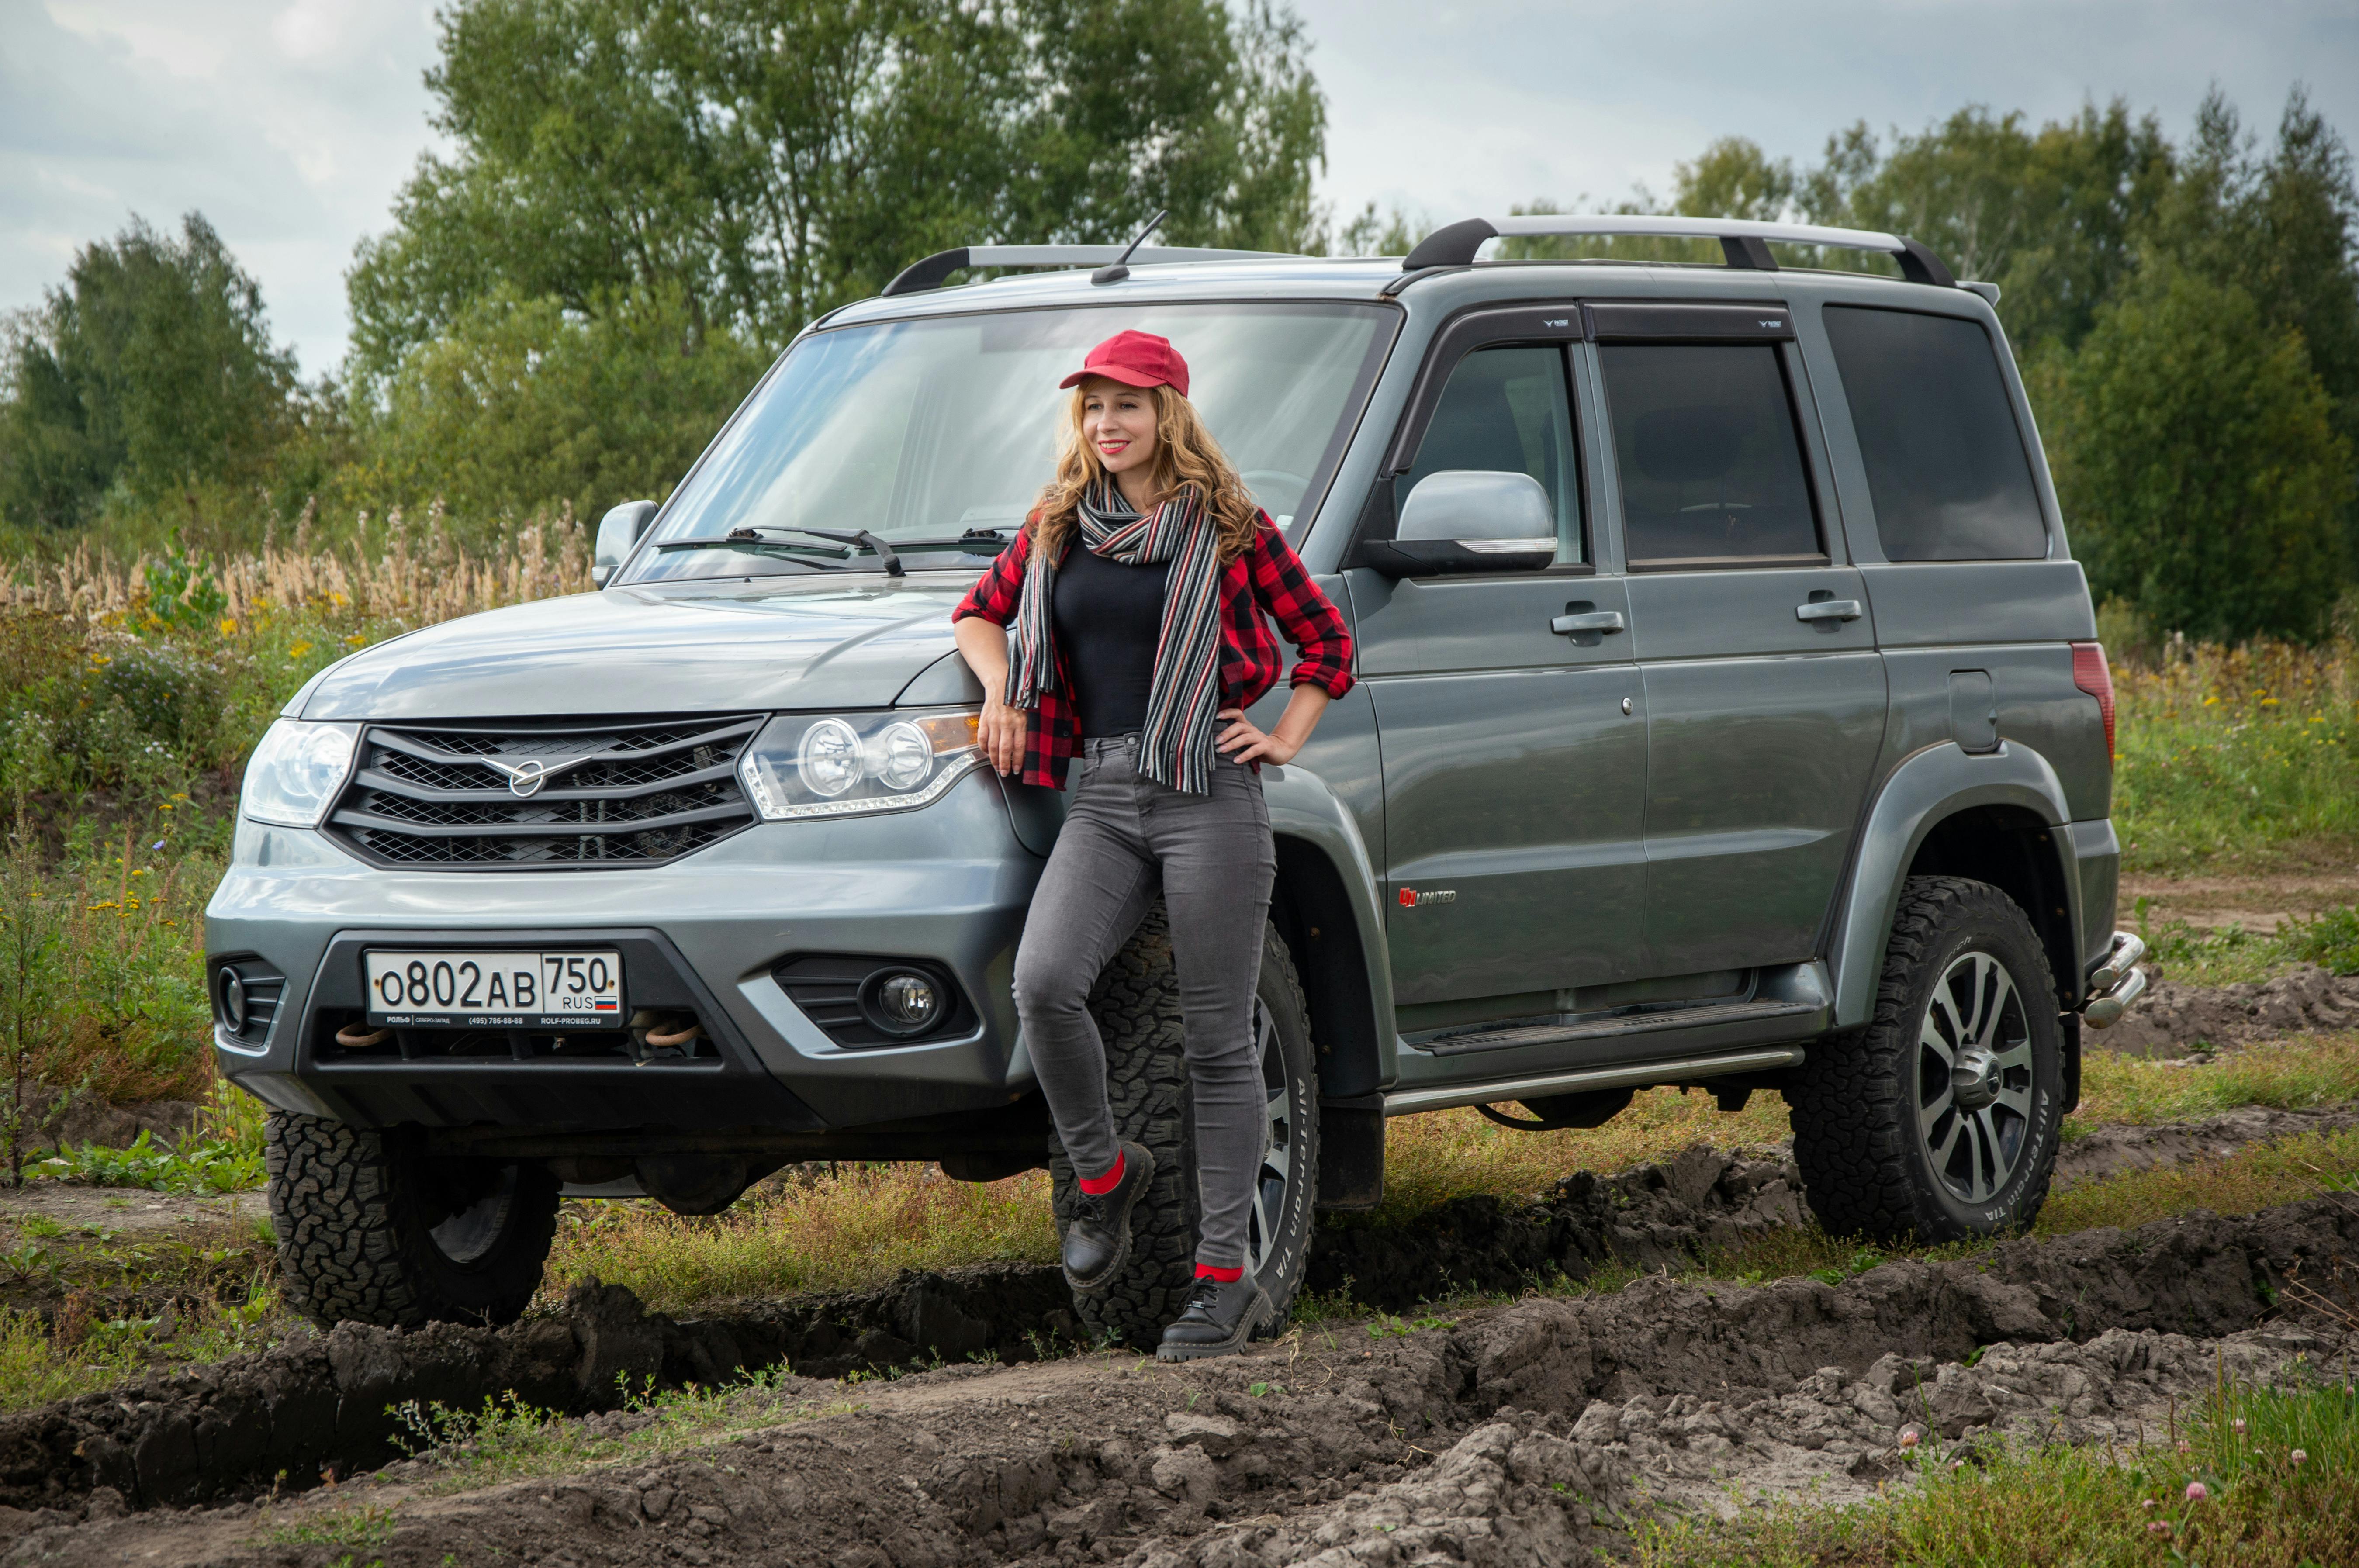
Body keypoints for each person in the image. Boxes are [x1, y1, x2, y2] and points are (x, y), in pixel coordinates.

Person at [951, 329, 1354, 1360]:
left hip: (1211, 790)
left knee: (1216, 1042)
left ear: (1168, 412)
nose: (1106, 424)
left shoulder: (1226, 524)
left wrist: (1283, 735)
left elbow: (1327, 640)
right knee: (1044, 983)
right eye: (1092, 406)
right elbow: (977, 616)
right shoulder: (1057, 526)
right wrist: (1000, 688)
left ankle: (1225, 1283)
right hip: (1105, 792)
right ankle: (1102, 1176)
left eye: (1126, 405)